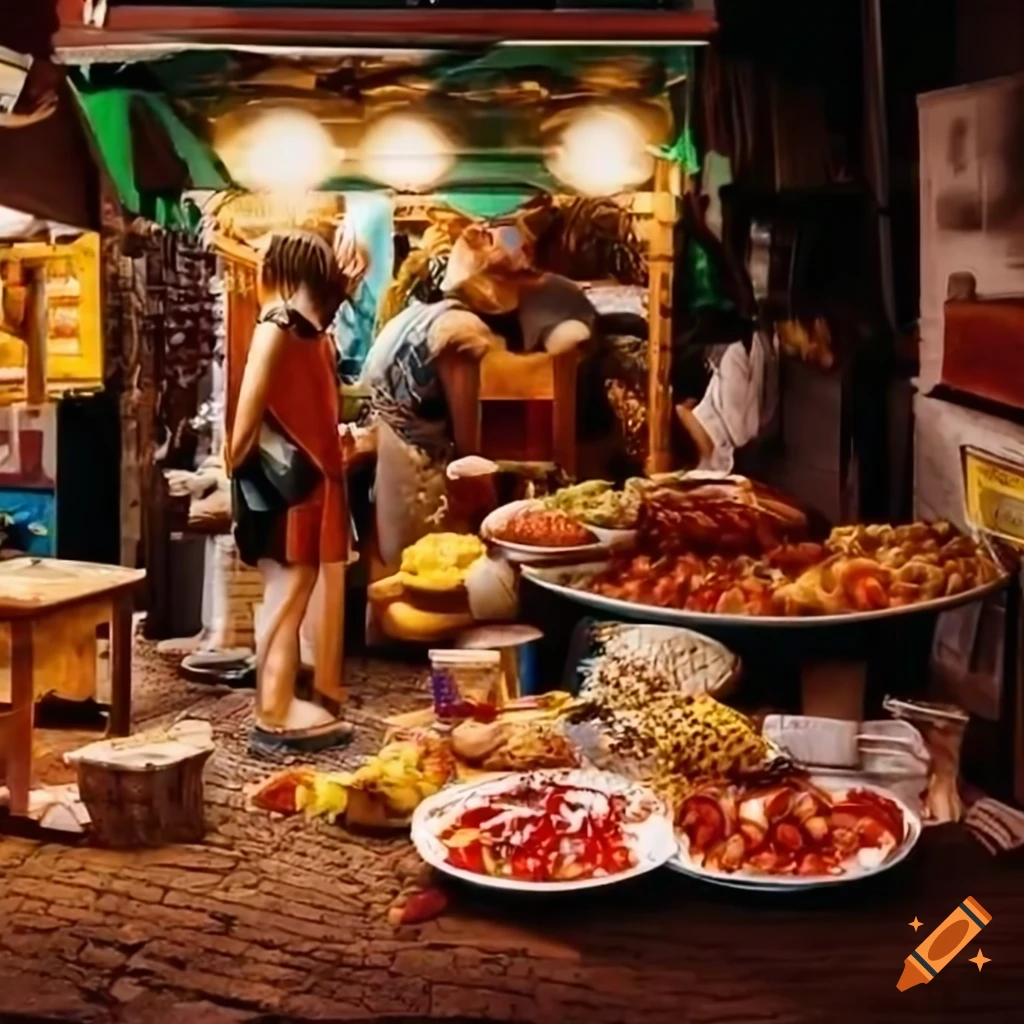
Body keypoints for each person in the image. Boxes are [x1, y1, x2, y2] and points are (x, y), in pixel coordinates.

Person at [227, 230, 352, 749]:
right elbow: (246, 420)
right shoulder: (281, 327)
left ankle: (276, 703)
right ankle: (273, 709)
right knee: (284, 596)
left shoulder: (302, 330)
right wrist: (236, 463)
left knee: (290, 595)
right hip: (289, 483)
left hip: (303, 480)